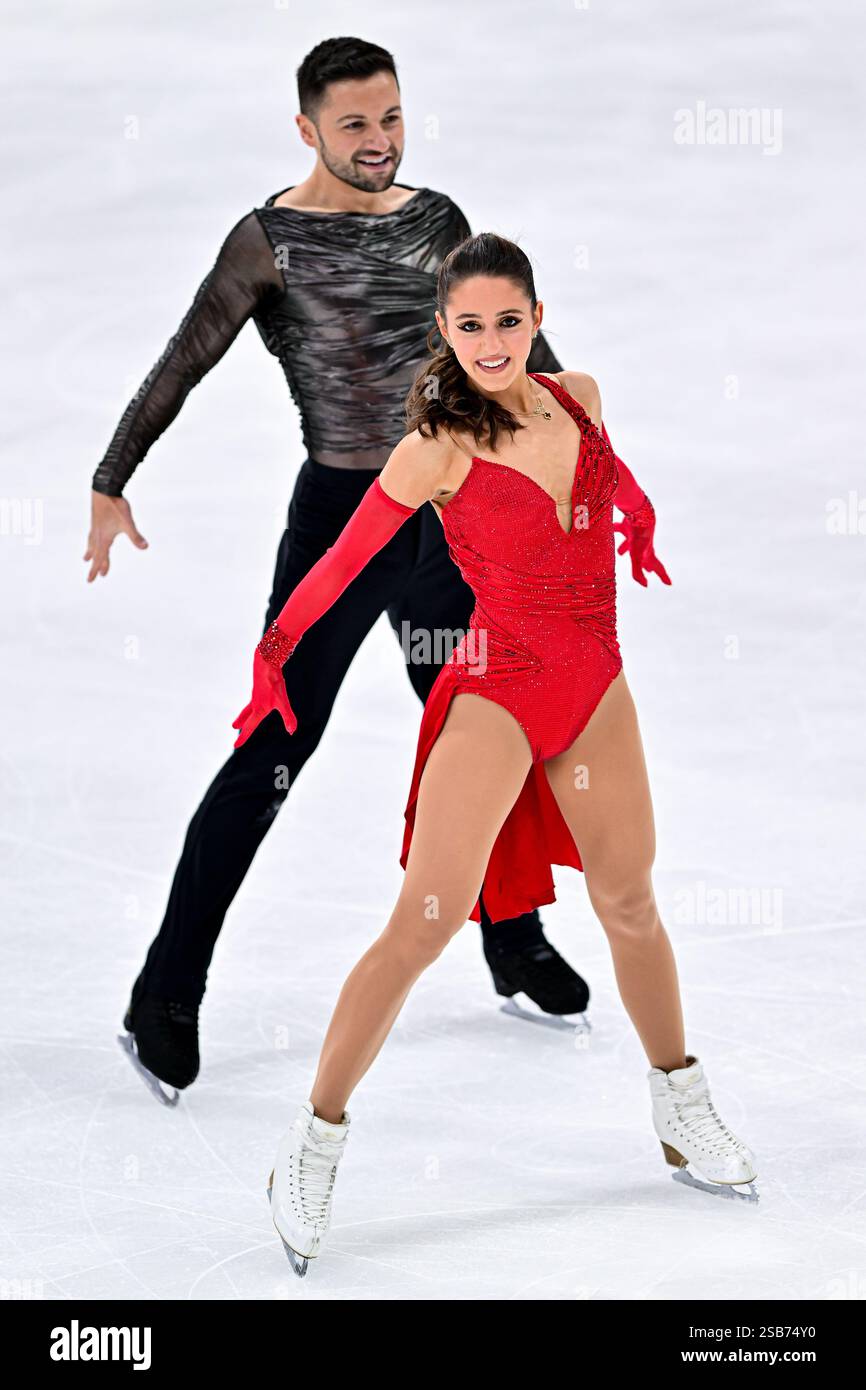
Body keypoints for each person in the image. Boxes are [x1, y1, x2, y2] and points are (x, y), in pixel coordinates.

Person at [87, 37, 602, 1104]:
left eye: (392, 118)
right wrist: (110, 476)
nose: (378, 142)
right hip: (342, 525)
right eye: (355, 123)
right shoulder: (267, 240)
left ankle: (511, 934)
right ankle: (164, 992)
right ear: (307, 128)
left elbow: (511, 356)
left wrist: (587, 466)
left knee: (487, 731)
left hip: (448, 523)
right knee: (275, 743)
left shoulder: (436, 220)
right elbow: (184, 358)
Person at [233, 231, 755, 1277]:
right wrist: (275, 654)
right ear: (443, 330)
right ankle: (312, 1142)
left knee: (629, 901)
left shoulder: (579, 398)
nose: (488, 341)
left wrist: (636, 518)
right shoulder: (435, 448)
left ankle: (679, 1107)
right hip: (497, 691)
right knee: (422, 924)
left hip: (592, 686)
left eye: (506, 321)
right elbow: (341, 564)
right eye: (467, 325)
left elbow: (609, 478)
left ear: (533, 317)